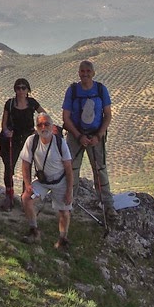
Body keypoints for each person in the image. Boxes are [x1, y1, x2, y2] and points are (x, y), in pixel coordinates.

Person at [61, 59, 113, 206]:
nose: (85, 74)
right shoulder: (72, 90)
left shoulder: (101, 90)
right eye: (82, 71)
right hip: (75, 135)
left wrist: (99, 135)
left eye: (88, 71)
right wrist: (78, 136)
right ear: (78, 73)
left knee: (100, 170)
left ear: (93, 73)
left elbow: (108, 115)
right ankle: (68, 202)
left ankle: (107, 204)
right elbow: (66, 117)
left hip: (96, 135)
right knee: (71, 169)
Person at [20, 112, 74, 249]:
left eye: (46, 124)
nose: (43, 127)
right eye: (40, 124)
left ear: (52, 126)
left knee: (64, 211)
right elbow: (25, 164)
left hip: (60, 182)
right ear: (36, 127)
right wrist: (27, 185)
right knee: (27, 198)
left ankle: (63, 239)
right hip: (42, 183)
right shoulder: (32, 141)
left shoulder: (60, 143)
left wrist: (69, 191)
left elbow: (68, 168)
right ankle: (34, 231)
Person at [0, 77, 44, 211]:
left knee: (27, 169)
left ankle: (26, 198)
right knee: (9, 167)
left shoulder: (32, 102)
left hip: (29, 138)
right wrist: (6, 131)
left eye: (23, 88)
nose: (21, 90)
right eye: (18, 88)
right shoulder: (10, 103)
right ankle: (9, 196)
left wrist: (39, 130)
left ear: (28, 89)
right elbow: (4, 123)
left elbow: (44, 115)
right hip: (13, 138)